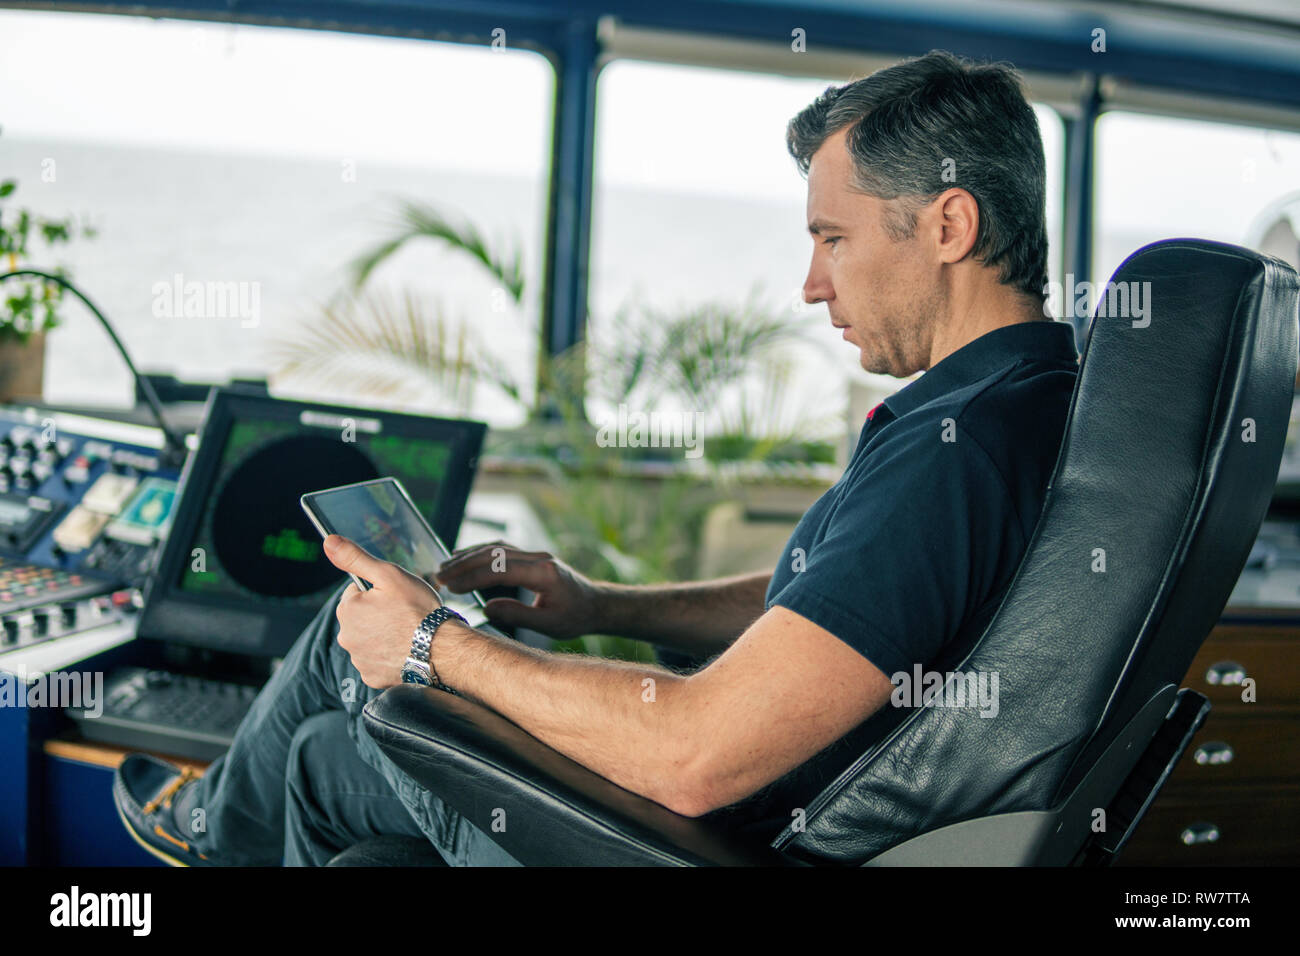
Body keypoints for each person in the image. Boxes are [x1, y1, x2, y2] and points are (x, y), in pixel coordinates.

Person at [114, 48, 1080, 866]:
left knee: (353, 625)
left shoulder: (959, 455)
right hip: (737, 809)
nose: (811, 284)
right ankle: (216, 830)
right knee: (325, 758)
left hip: (688, 832)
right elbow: (832, 619)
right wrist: (600, 607)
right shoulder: (1016, 405)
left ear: (950, 226)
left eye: (834, 237)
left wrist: (432, 645)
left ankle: (204, 834)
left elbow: (698, 752)